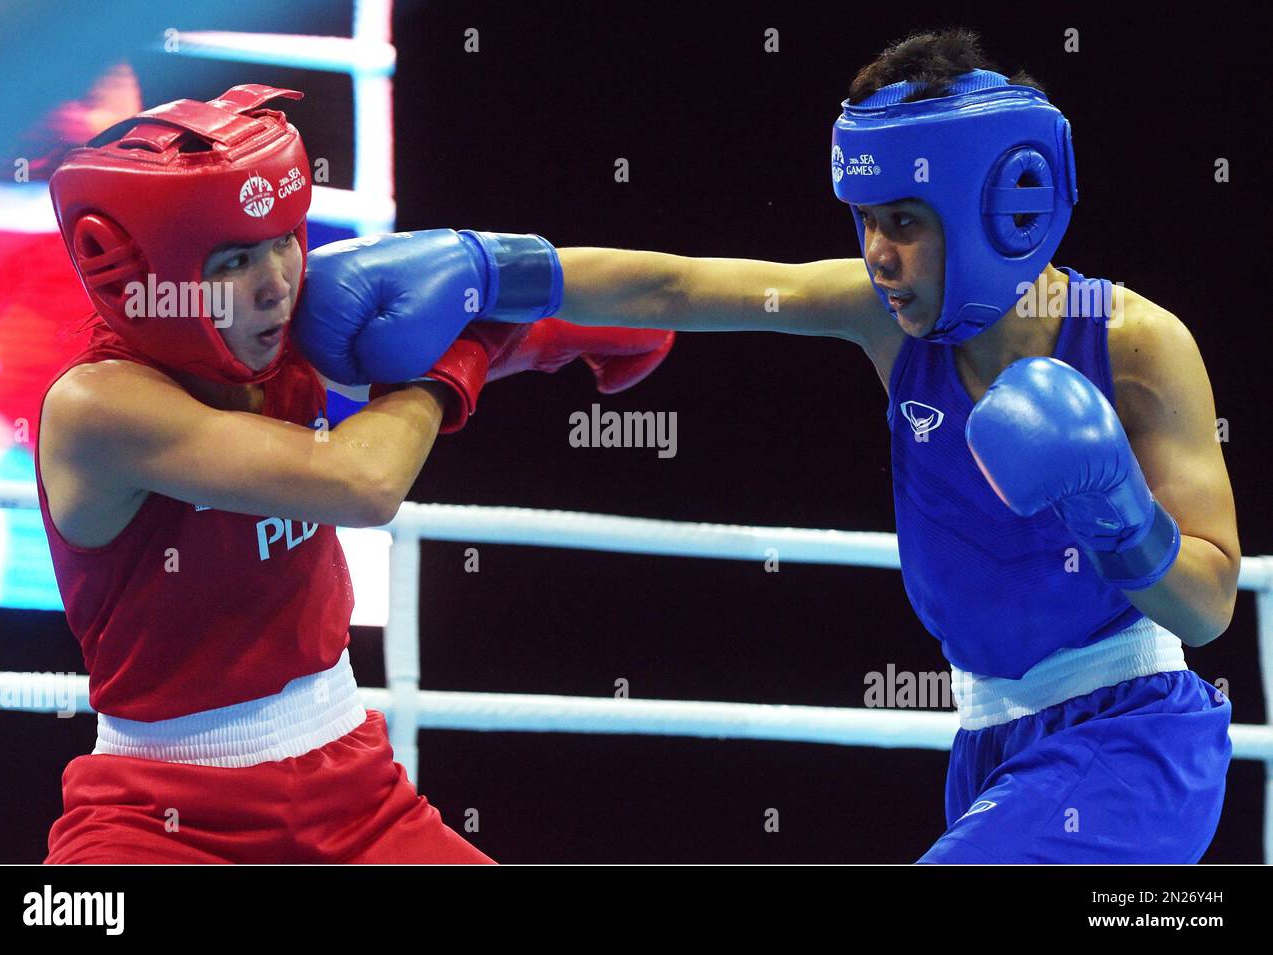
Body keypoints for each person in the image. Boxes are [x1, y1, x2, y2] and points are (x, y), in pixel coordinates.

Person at [342, 29, 1236, 862]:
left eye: (907, 222)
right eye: (866, 220)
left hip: (1136, 735)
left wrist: (1116, 506)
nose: (878, 255)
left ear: (1010, 209)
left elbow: (1207, 609)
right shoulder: (891, 326)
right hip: (988, 739)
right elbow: (678, 288)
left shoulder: (1134, 343)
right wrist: (490, 268)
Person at [37, 83, 672, 863]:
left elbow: (551, 284)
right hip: (156, 819)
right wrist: (453, 363)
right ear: (144, 274)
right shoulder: (96, 406)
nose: (278, 279)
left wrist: (588, 316)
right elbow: (358, 482)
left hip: (357, 796)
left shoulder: (288, 317)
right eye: (236, 257)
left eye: (284, 239)